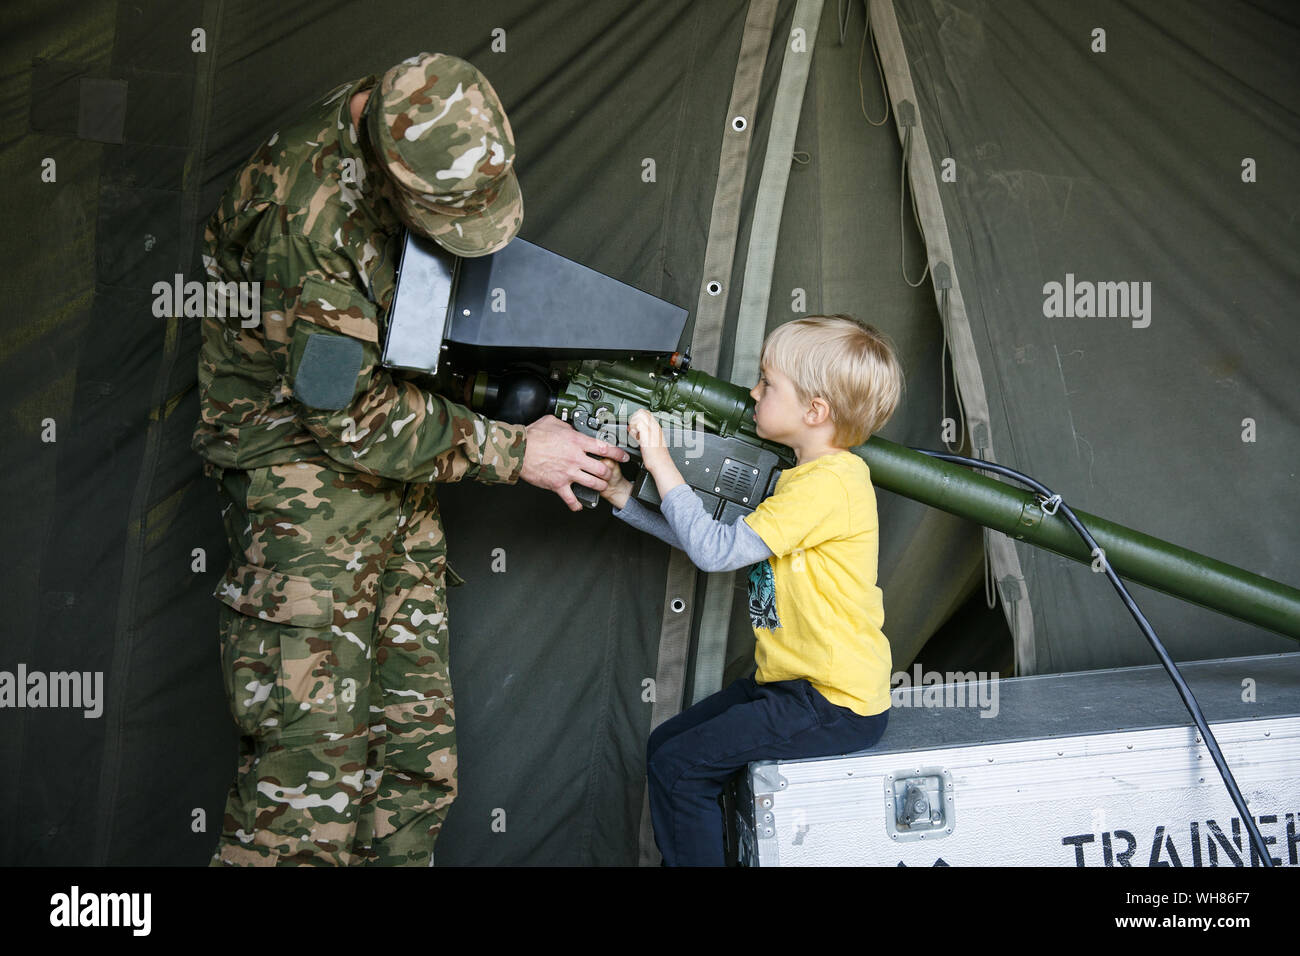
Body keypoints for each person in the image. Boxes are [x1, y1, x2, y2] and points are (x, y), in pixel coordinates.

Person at [195, 52, 626, 866]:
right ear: (392, 175)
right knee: (306, 794)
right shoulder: (306, 220)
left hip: (400, 483)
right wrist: (515, 451)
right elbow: (347, 417)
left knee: (413, 772)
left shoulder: (418, 113)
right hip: (303, 509)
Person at [600, 314, 904, 865]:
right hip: (787, 685)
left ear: (815, 412)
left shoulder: (830, 486)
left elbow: (714, 552)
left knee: (681, 768)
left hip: (832, 700)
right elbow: (718, 541)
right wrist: (624, 496)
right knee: (667, 747)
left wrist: (660, 460)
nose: (753, 392)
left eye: (767, 384)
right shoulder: (801, 477)